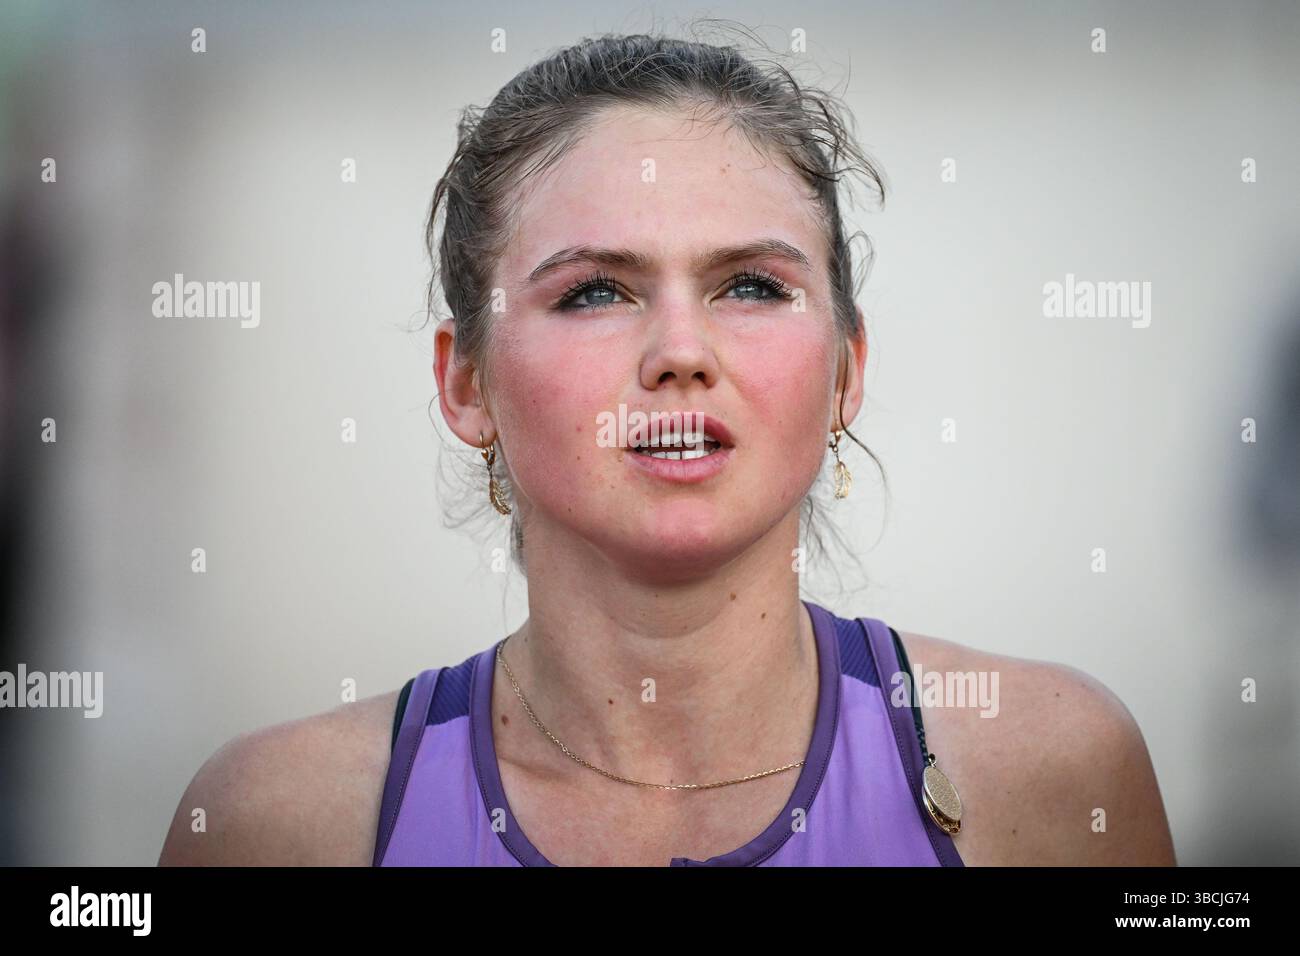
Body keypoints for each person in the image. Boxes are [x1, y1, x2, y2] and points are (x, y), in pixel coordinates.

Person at [158, 29, 1176, 867]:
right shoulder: (280, 822)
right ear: (464, 383)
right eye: (594, 291)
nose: (681, 352)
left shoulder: (1051, 771)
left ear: (845, 371)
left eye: (751, 285)